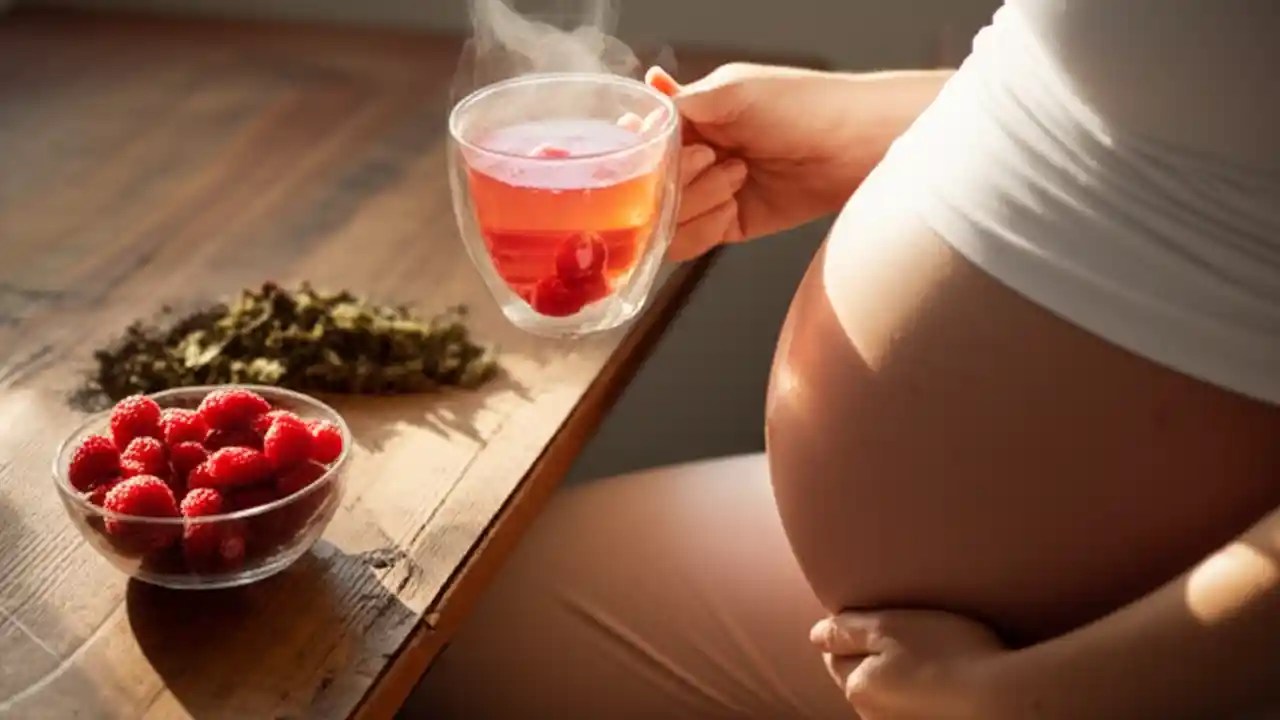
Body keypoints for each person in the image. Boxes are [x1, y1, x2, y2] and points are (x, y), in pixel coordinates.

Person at [412, 1, 1280, 717]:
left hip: (1126, 652)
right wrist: (878, 125)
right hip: (943, 617)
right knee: (460, 625)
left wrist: (1025, 701)